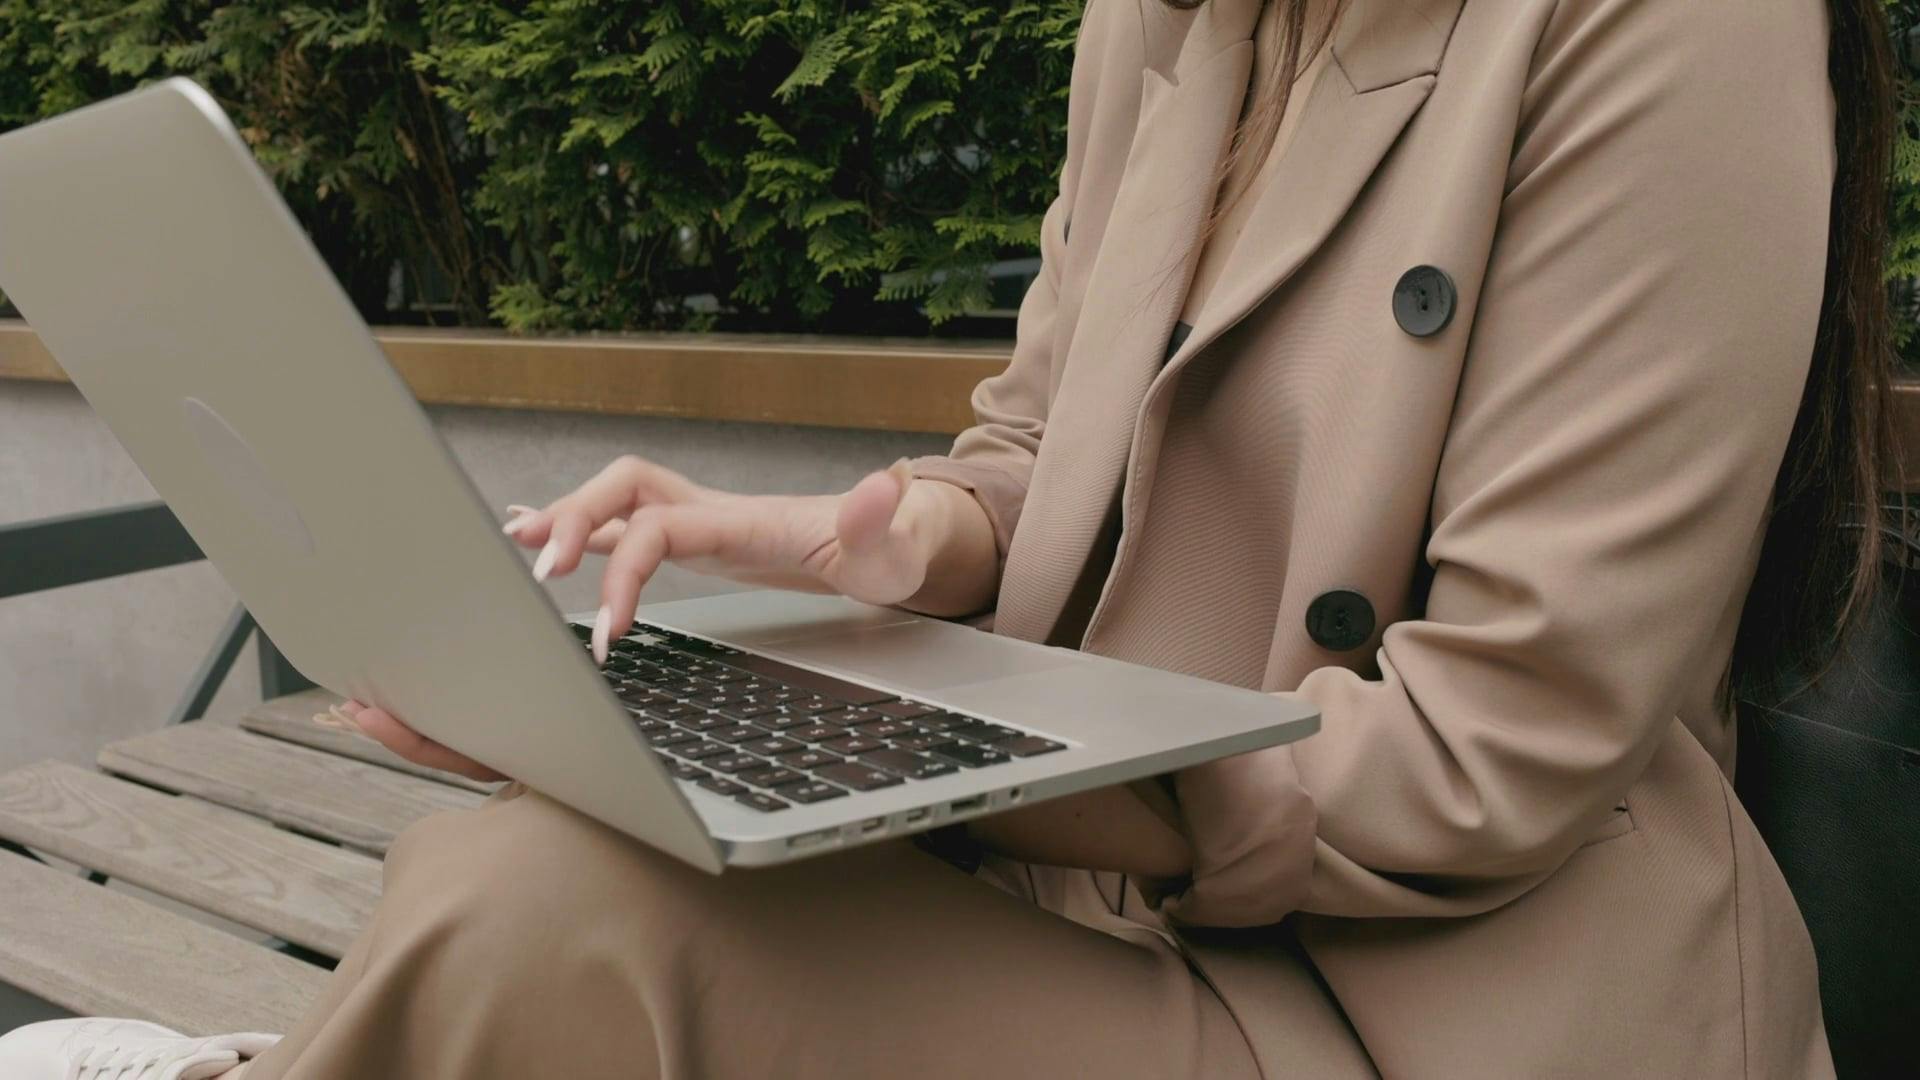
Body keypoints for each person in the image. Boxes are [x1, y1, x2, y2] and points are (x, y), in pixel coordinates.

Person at [2, 0, 1898, 1075]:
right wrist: (859, 539)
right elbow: (1035, 443)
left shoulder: (1678, 24)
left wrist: (901, 761)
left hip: (1443, 1005)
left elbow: (1496, 750)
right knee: (512, 887)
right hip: (1101, 901)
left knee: (550, 913)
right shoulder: (1166, 15)